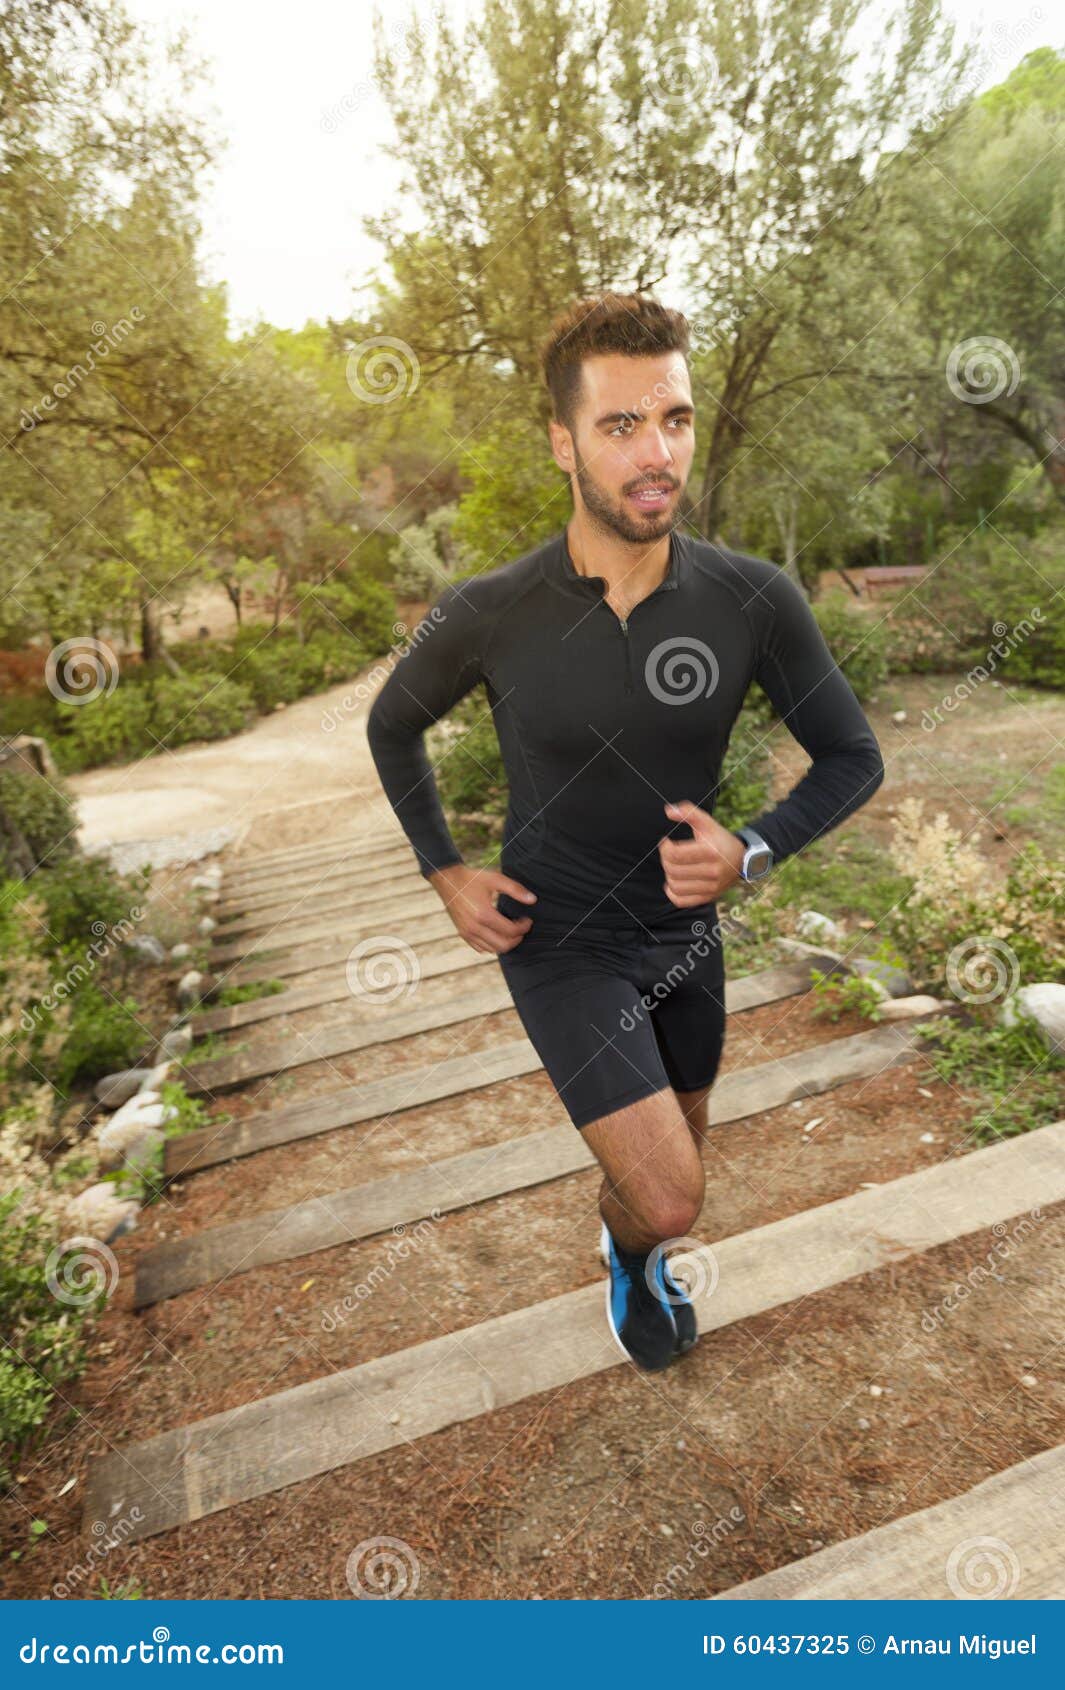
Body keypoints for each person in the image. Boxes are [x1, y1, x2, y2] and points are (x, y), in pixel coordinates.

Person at [366, 292, 885, 1371]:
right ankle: (633, 1238)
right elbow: (392, 724)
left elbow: (853, 756)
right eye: (621, 427)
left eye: (676, 420)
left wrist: (751, 847)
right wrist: (446, 874)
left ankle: (632, 1244)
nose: (658, 455)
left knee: (674, 1169)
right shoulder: (492, 609)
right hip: (558, 936)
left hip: (685, 938)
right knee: (673, 1191)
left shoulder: (753, 600)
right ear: (564, 442)